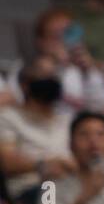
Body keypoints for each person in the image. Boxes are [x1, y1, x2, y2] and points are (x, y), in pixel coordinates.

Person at [0, 62, 76, 196]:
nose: (51, 82)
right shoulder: (8, 118)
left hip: (70, 187)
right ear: (25, 85)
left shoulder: (66, 119)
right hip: (34, 190)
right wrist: (43, 165)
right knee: (51, 198)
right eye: (44, 77)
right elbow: (7, 163)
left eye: (53, 77)